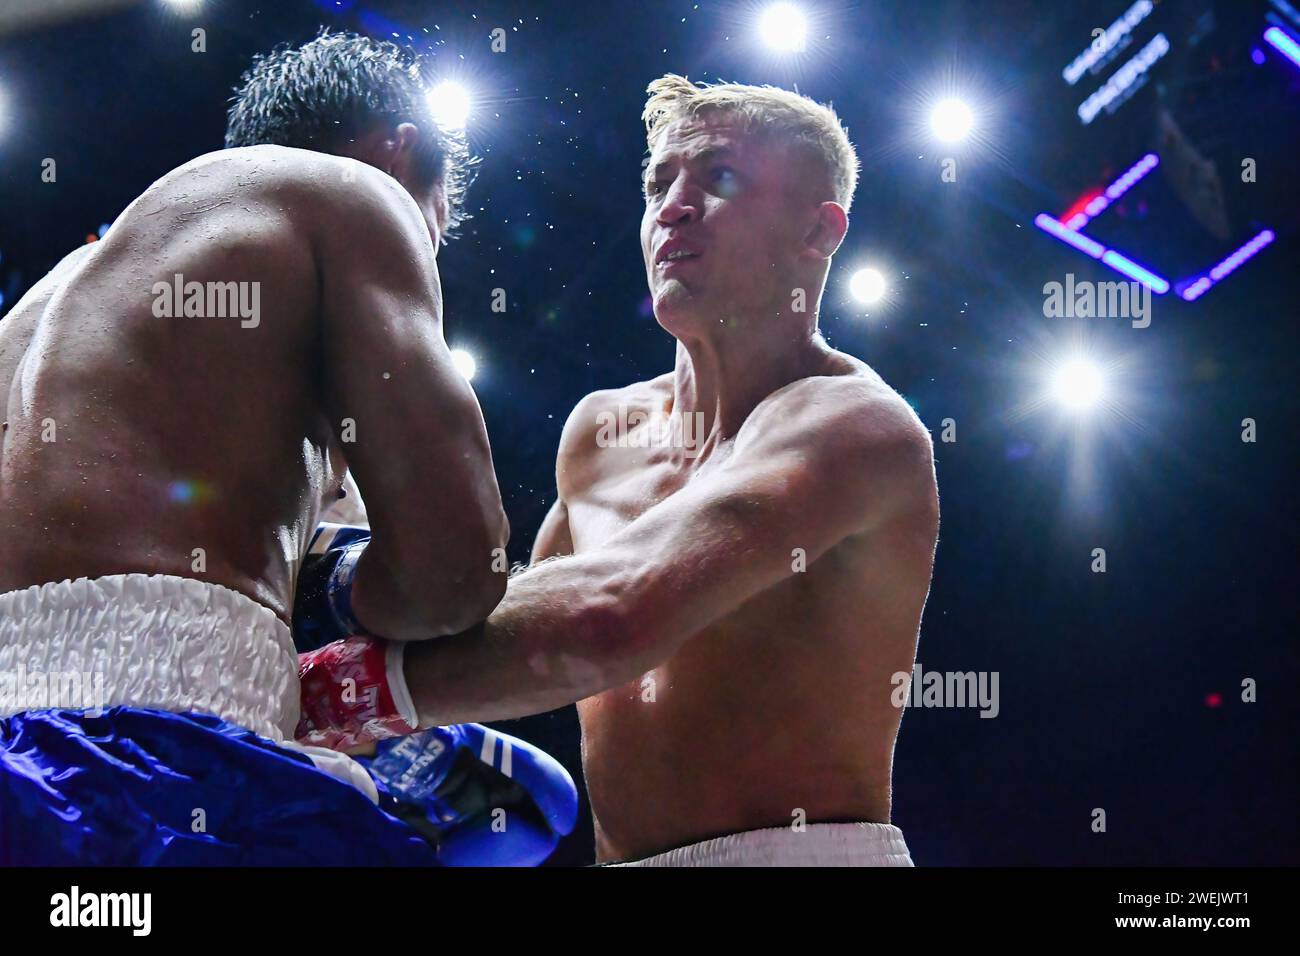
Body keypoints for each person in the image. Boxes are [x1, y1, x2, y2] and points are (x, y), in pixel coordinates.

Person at [300, 75, 939, 866]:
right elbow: (502, 620)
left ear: (819, 231)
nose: (672, 205)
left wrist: (328, 690)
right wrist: (335, 559)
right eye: (658, 182)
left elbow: (611, 616)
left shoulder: (858, 428)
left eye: (718, 177)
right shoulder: (600, 430)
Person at [0, 31, 573, 865]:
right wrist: (338, 593)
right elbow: (456, 572)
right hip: (164, 756)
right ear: (397, 150)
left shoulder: (36, 313)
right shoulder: (350, 195)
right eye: (435, 229)